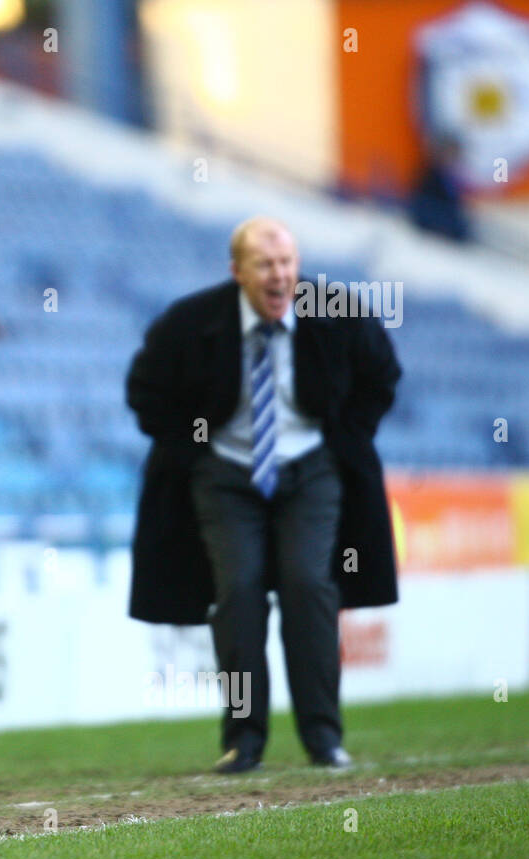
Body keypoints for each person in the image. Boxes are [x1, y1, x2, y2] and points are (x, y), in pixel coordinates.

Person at [126, 217, 401, 774]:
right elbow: (144, 392)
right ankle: (244, 740)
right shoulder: (189, 322)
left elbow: (383, 375)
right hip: (226, 474)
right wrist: (193, 448)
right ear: (237, 272)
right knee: (239, 591)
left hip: (312, 467)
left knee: (308, 583)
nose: (280, 277)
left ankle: (324, 738)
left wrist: (342, 439)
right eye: (266, 266)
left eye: (287, 264)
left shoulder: (337, 310)